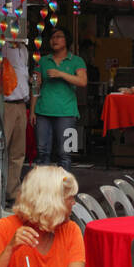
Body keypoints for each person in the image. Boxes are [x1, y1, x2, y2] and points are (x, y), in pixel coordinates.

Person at [31, 27, 87, 169]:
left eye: (58, 37)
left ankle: (66, 190)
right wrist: (32, 111)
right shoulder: (42, 61)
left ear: (67, 41)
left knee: (66, 154)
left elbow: (82, 81)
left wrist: (60, 74)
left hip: (67, 113)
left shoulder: (77, 61)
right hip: (43, 112)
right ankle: (43, 189)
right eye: (52, 37)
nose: (54, 40)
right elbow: (35, 87)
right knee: (42, 152)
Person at [1, 36, 30, 207]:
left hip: (20, 103)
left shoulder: (24, 49)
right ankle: (0, 191)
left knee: (18, 152)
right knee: (2, 149)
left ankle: (12, 192)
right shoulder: (4, 46)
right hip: (6, 103)